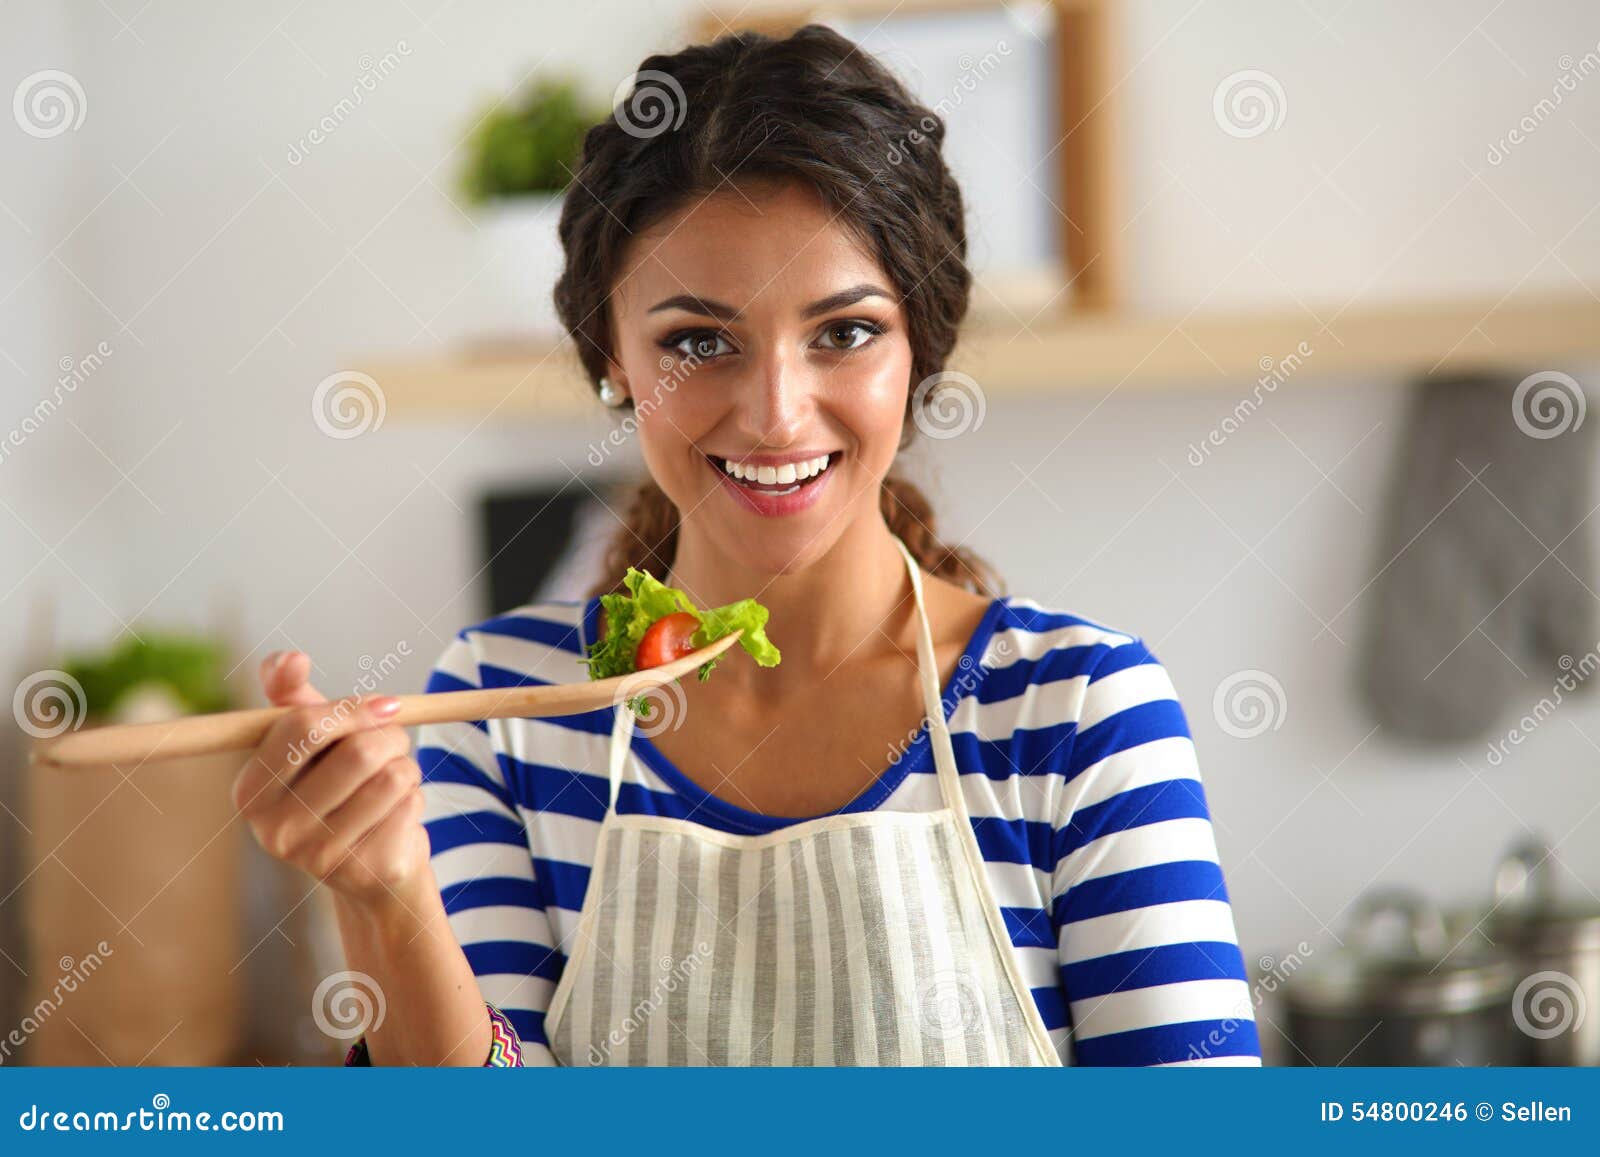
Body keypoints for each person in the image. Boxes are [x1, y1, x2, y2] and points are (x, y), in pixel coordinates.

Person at [236, 23, 1261, 1068]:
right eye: (698, 342)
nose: (775, 414)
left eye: (845, 332)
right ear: (611, 357)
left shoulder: (1079, 711)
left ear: (921, 345)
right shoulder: (502, 708)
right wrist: (386, 897)